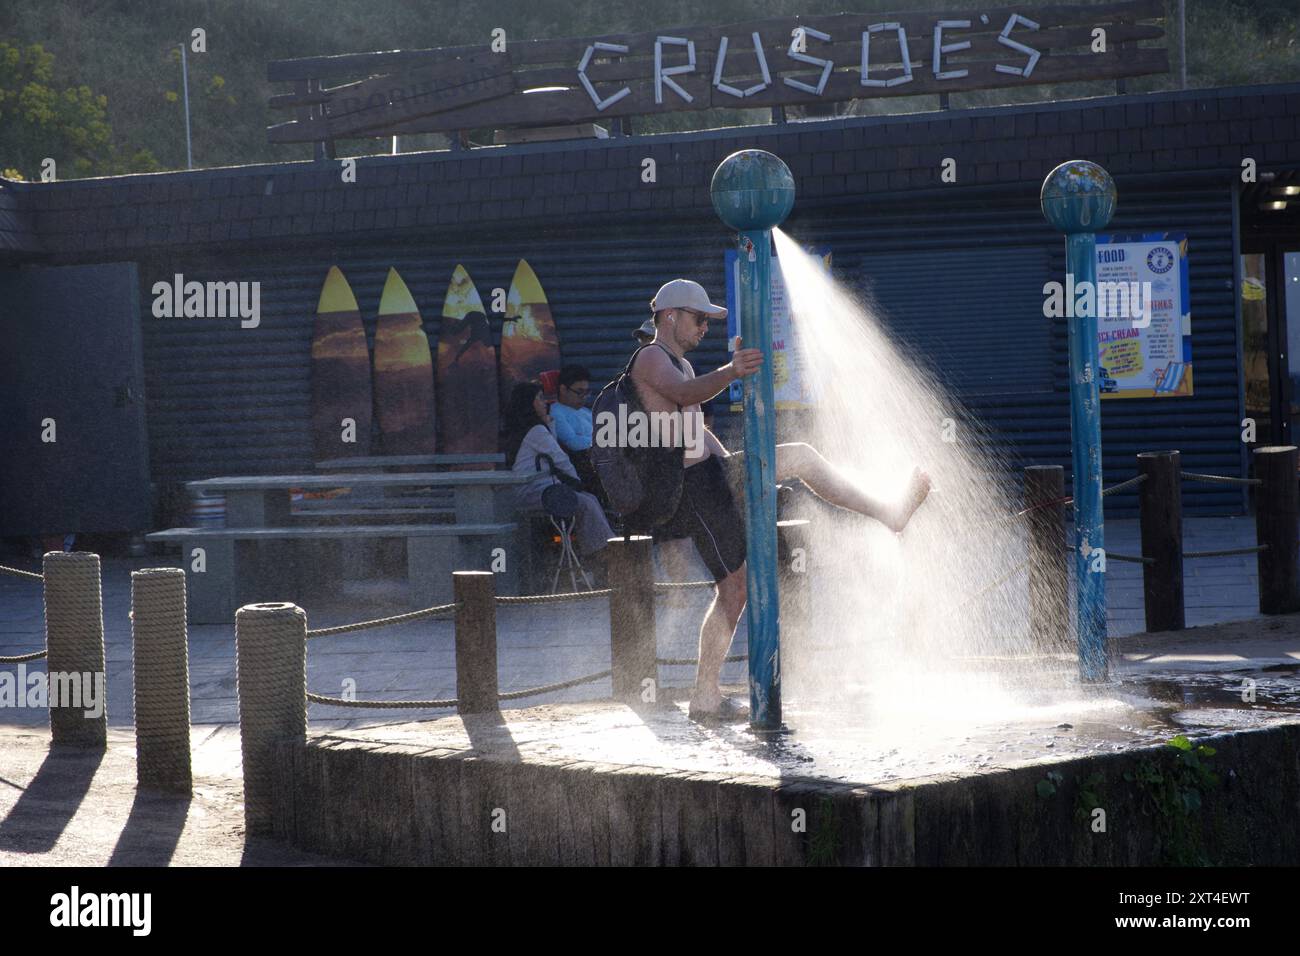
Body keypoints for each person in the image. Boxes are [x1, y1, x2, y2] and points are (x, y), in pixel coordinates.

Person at [628, 278, 933, 721]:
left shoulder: (679, 362)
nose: (703, 330)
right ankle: (704, 695)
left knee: (800, 463)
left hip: (710, 474)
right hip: (691, 488)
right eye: (699, 320)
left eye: (708, 323)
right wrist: (733, 370)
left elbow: (694, 429)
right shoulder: (651, 357)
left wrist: (733, 463)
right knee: (734, 588)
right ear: (670, 316)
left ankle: (888, 511)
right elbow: (684, 398)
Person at [502, 381, 613, 561]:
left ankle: (600, 547)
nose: (544, 403)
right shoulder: (536, 431)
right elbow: (559, 459)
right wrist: (578, 482)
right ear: (528, 403)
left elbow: (550, 447)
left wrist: (549, 422)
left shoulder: (527, 429)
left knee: (589, 500)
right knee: (586, 502)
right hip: (534, 492)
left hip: (534, 490)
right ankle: (603, 551)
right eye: (539, 398)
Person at [550, 364, 605, 503]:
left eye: (587, 392)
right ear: (563, 389)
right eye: (580, 392)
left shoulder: (585, 412)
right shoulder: (556, 413)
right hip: (585, 467)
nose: (584, 397)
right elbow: (573, 443)